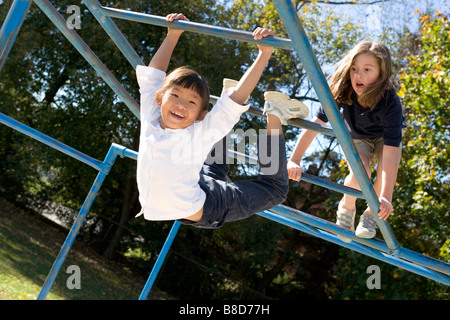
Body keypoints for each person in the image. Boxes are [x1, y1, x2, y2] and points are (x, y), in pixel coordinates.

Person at [135, 13, 307, 228]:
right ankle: (228, 94)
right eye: (175, 95)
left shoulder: (196, 131)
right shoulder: (152, 113)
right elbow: (153, 77)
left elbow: (235, 103)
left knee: (275, 189)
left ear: (200, 115)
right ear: (160, 98)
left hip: (210, 204)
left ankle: (274, 115)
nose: (180, 105)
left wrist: (263, 54)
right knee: (215, 133)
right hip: (197, 185)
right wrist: (173, 34)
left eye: (191, 102)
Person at [287, 41, 404, 241]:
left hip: (385, 138)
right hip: (358, 138)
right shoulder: (342, 90)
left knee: (384, 170)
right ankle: (347, 207)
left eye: (367, 70)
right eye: (354, 69)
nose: (358, 75)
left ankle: (370, 214)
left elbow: (392, 155)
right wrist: (295, 159)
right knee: (362, 169)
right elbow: (315, 126)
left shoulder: (390, 102)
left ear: (381, 74)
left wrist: (386, 197)